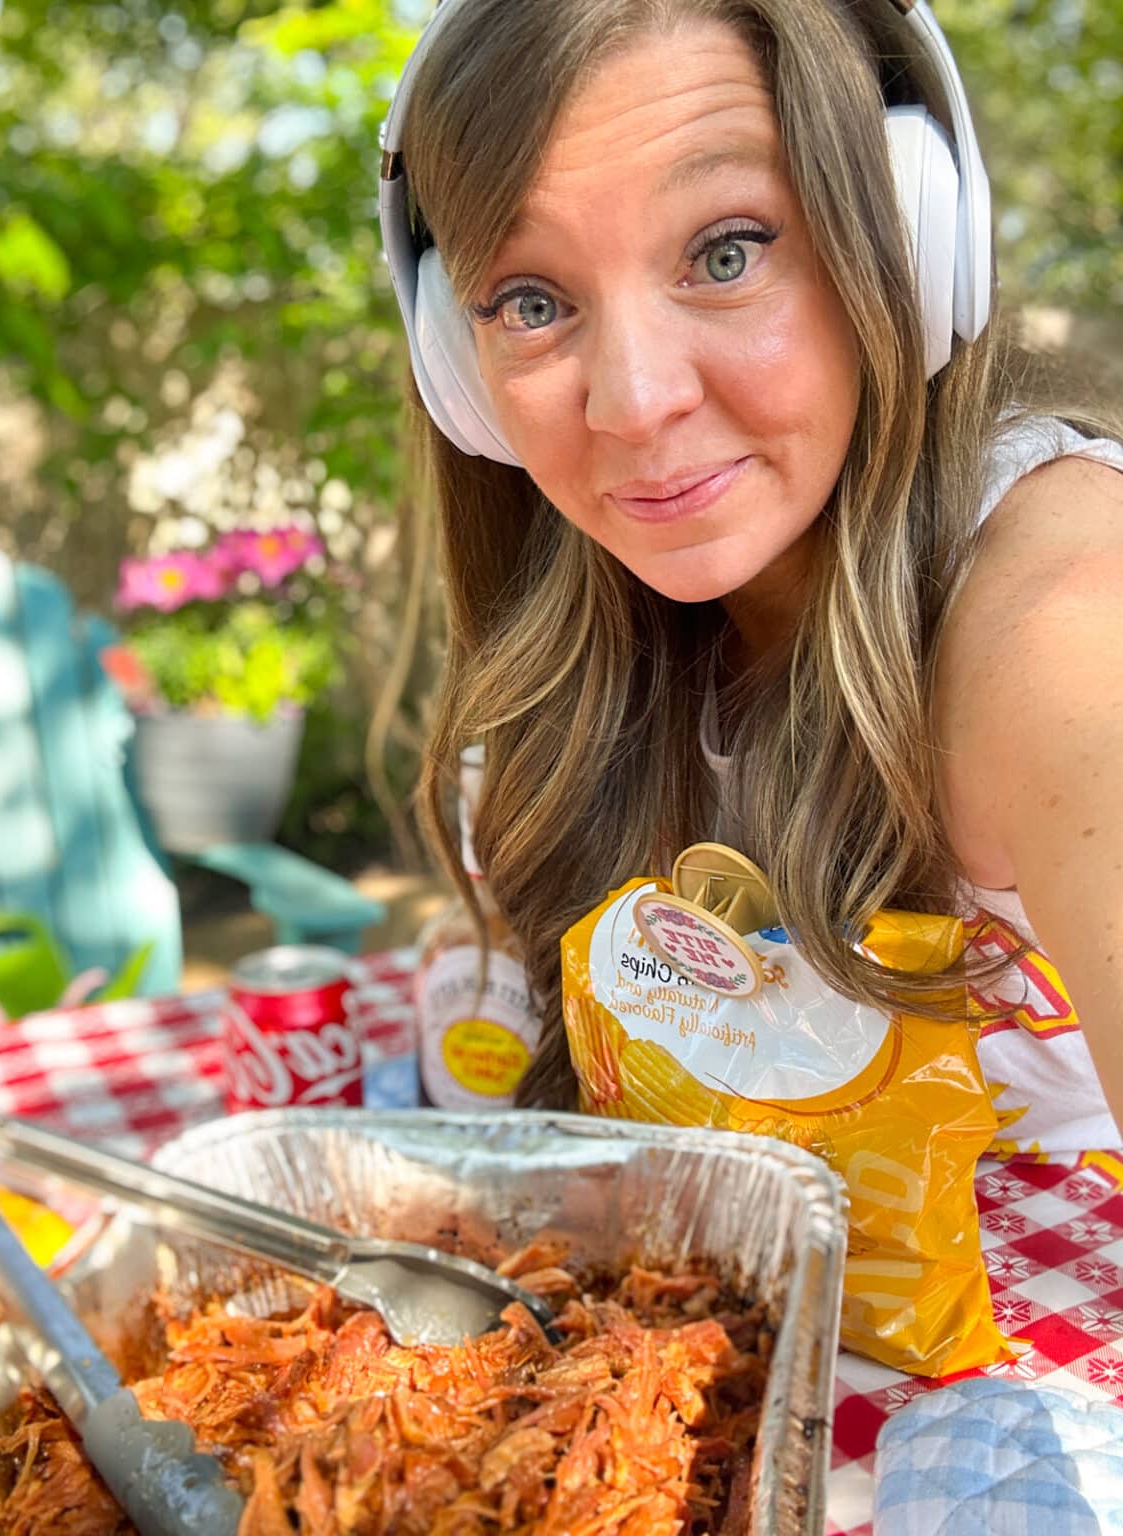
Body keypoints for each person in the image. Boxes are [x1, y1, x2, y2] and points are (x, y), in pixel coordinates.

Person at [379, 0, 1123, 1132]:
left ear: (906, 247)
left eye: (725, 252)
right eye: (532, 302)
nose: (634, 404)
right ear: (456, 365)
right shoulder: (587, 653)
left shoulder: (1073, 628)